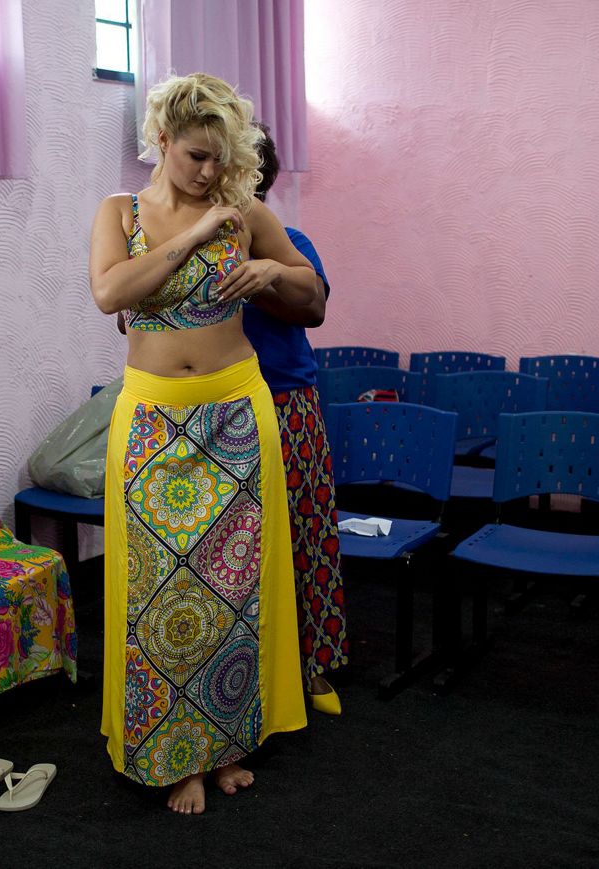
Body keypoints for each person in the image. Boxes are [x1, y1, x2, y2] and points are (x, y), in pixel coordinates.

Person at [89, 72, 317, 815]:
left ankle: (224, 748)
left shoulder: (243, 210)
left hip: (237, 417)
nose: (210, 173)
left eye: (219, 158)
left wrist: (273, 272)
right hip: (153, 423)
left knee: (233, 592)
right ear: (160, 142)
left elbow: (314, 298)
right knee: (161, 592)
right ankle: (173, 755)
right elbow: (110, 293)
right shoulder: (120, 212)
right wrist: (191, 236)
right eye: (196, 156)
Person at [241, 126, 348, 715]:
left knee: (305, 536)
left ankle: (313, 668)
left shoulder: (290, 238)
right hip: (215, 409)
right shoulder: (180, 237)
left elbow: (314, 308)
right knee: (238, 550)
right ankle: (246, 671)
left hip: (287, 404)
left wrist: (255, 275)